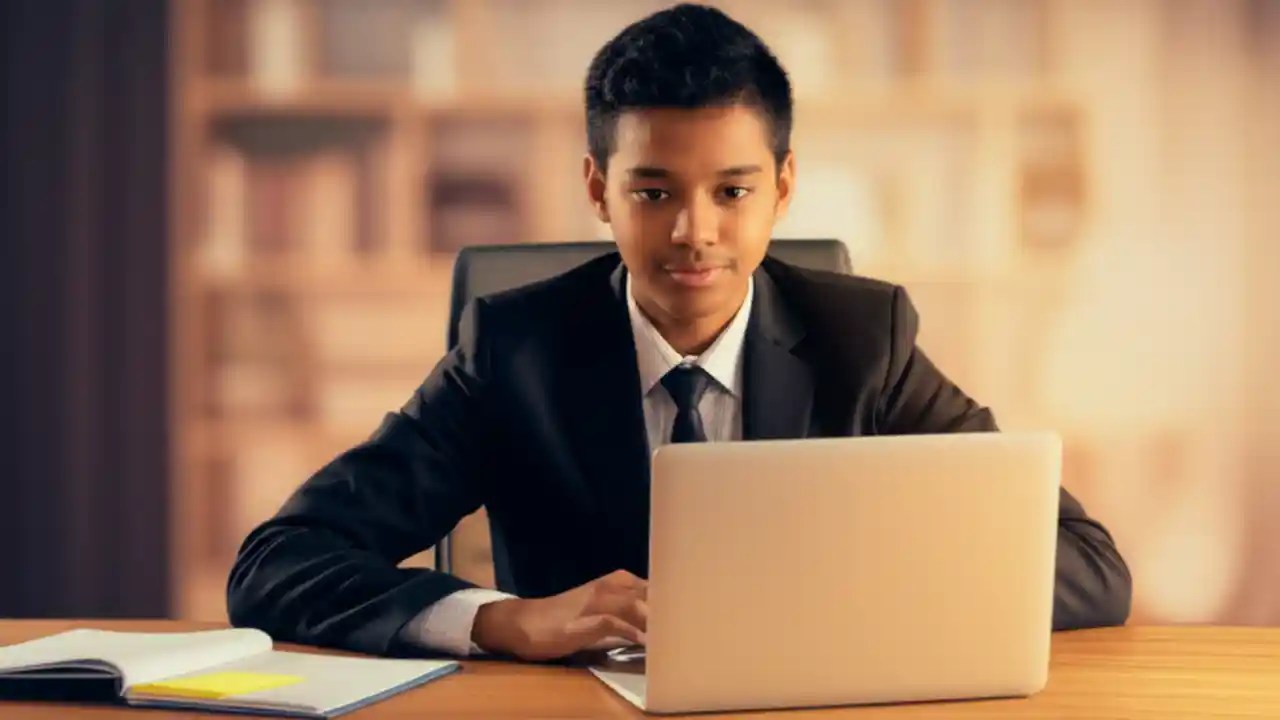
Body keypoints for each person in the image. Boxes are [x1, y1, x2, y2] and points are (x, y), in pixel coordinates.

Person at [227, 3, 1131, 662]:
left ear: (782, 187)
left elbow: (1088, 569)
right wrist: (506, 618)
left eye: (732, 192)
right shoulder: (514, 351)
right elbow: (276, 565)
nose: (694, 231)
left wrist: (855, 602)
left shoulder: (864, 338)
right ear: (597, 189)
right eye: (653, 192)